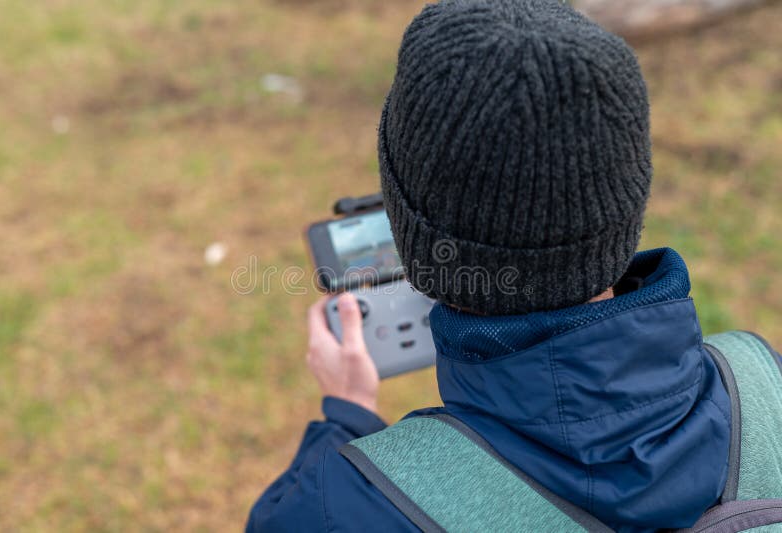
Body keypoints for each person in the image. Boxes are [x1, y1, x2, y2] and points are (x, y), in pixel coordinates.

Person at [247, 0, 782, 531]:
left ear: (410, 237)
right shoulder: (766, 388)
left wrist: (347, 412)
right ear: (627, 197)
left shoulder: (342, 506)